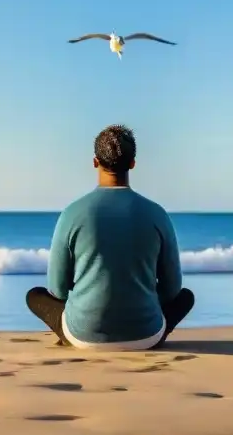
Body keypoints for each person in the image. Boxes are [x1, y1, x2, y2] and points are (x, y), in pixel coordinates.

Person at [26, 124, 195, 350]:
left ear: (95, 162)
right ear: (133, 164)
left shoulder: (72, 213)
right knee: (186, 297)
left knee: (35, 296)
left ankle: (77, 331)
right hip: (147, 336)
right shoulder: (157, 214)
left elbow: (56, 289)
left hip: (84, 336)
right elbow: (173, 289)